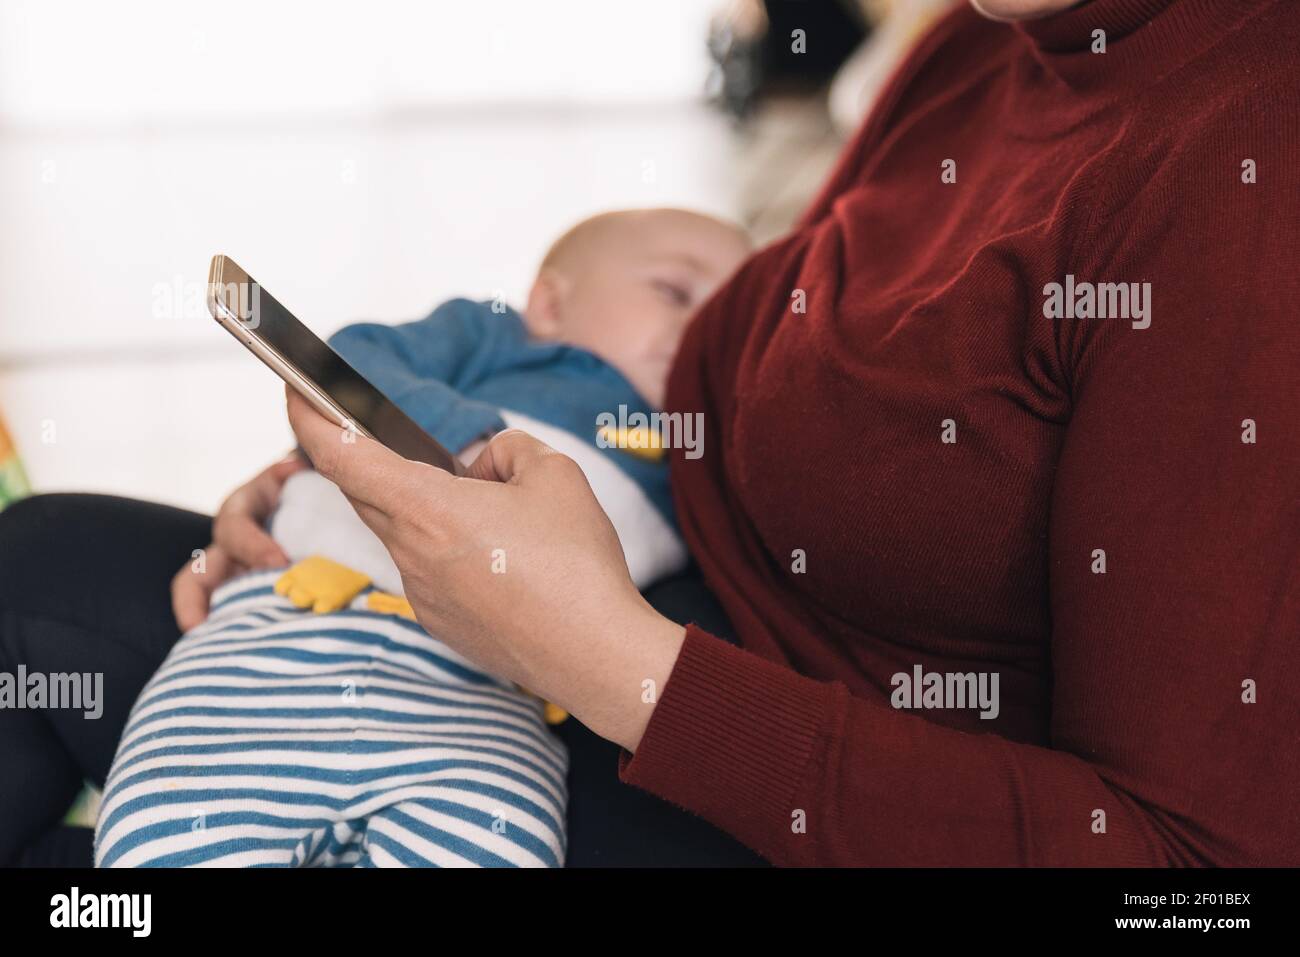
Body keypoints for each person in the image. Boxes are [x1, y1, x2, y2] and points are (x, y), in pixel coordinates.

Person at [2, 0, 1297, 868]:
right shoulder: (990, 38)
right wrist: (358, 478)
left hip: (754, 774)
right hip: (622, 586)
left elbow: (1189, 869)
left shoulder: (1241, 164)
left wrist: (614, 659)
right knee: (38, 566)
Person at [92, 208, 751, 867]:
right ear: (549, 303)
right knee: (170, 835)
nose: (699, 331)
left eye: (731, 324)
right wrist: (461, 445)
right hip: (284, 629)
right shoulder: (498, 339)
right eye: (674, 292)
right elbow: (347, 361)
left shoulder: (700, 454)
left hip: (484, 707)